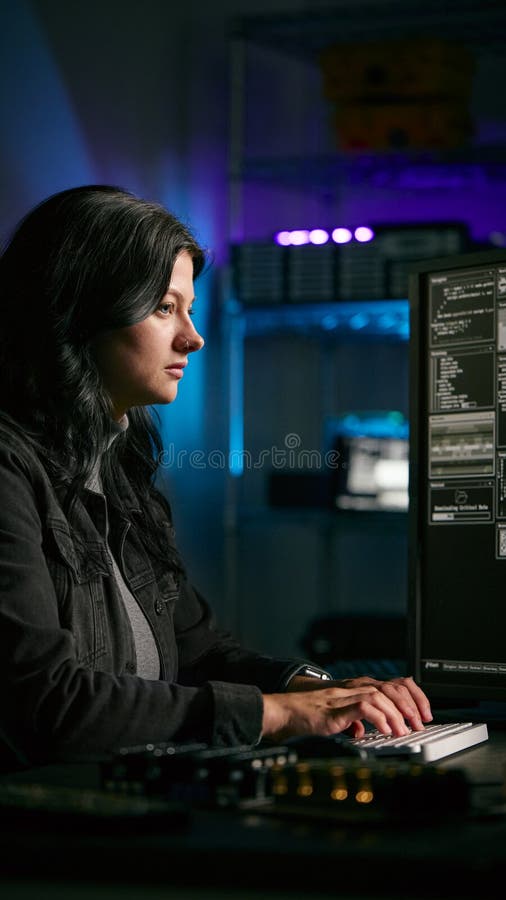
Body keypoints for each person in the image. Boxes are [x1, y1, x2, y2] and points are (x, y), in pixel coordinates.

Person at [0, 185, 432, 771]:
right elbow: (47, 703)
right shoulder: (9, 468)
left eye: (191, 309)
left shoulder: (118, 470)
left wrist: (316, 688)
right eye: (163, 307)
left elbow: (200, 651)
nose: (193, 338)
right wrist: (276, 716)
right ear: (77, 310)